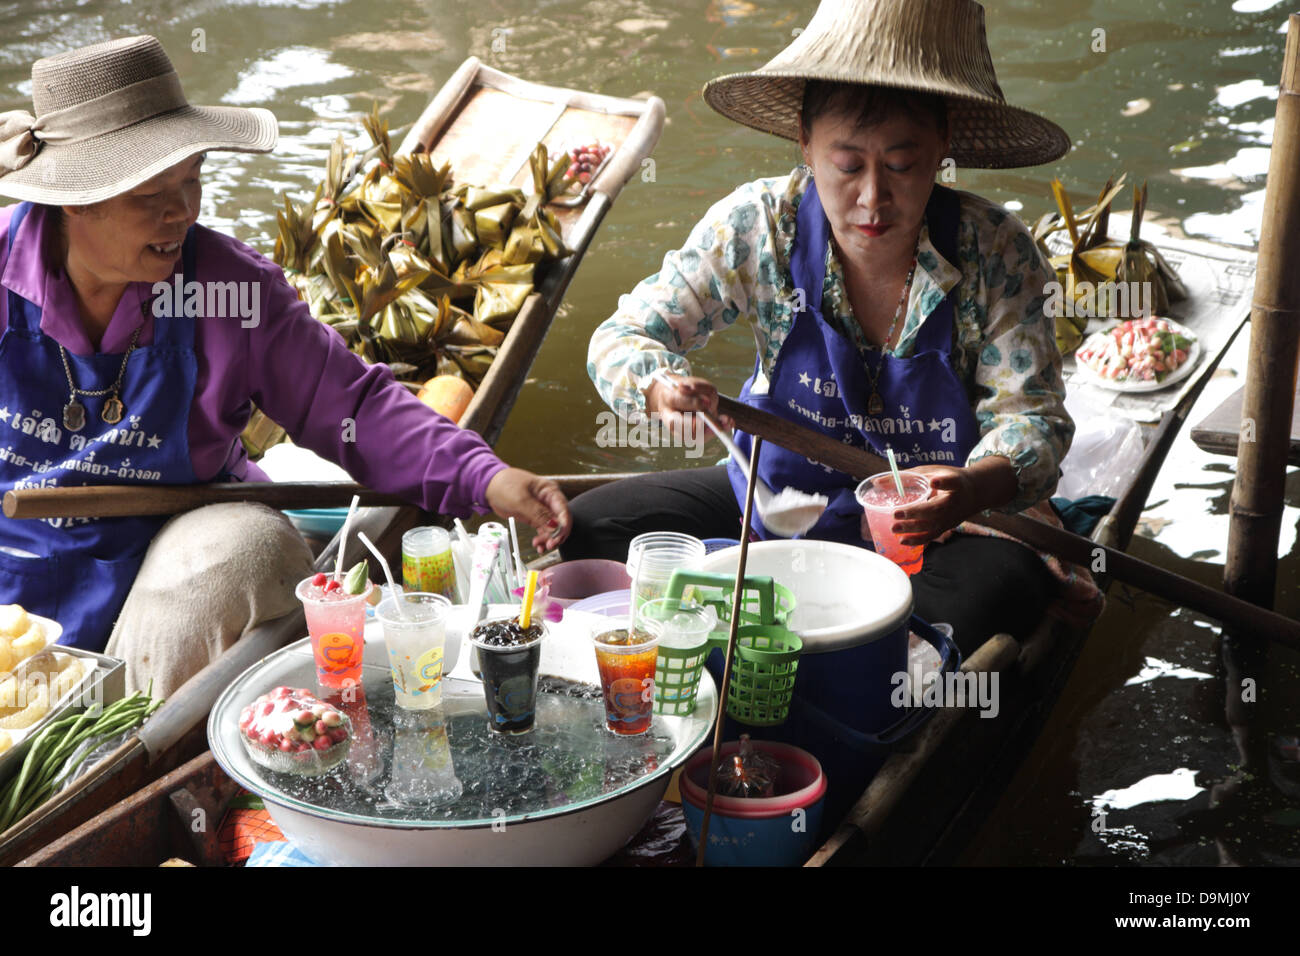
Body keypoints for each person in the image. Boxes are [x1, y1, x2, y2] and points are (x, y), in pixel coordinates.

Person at [0, 36, 570, 691]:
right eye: (149, 195)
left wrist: (483, 476)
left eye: (192, 180)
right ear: (75, 199)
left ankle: (120, 744)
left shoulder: (230, 292)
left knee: (249, 549)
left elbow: (353, 406)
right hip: (13, 580)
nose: (182, 213)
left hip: (164, 592)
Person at [565, 0, 1101, 655]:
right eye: (847, 165)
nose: (873, 198)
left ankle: (832, 661)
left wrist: (974, 486)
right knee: (592, 525)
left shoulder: (995, 251)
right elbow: (622, 338)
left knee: (1001, 592)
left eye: (901, 166)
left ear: (943, 149)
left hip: (941, 529)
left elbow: (1034, 422)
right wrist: (661, 386)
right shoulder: (759, 227)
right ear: (805, 143)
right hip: (775, 502)